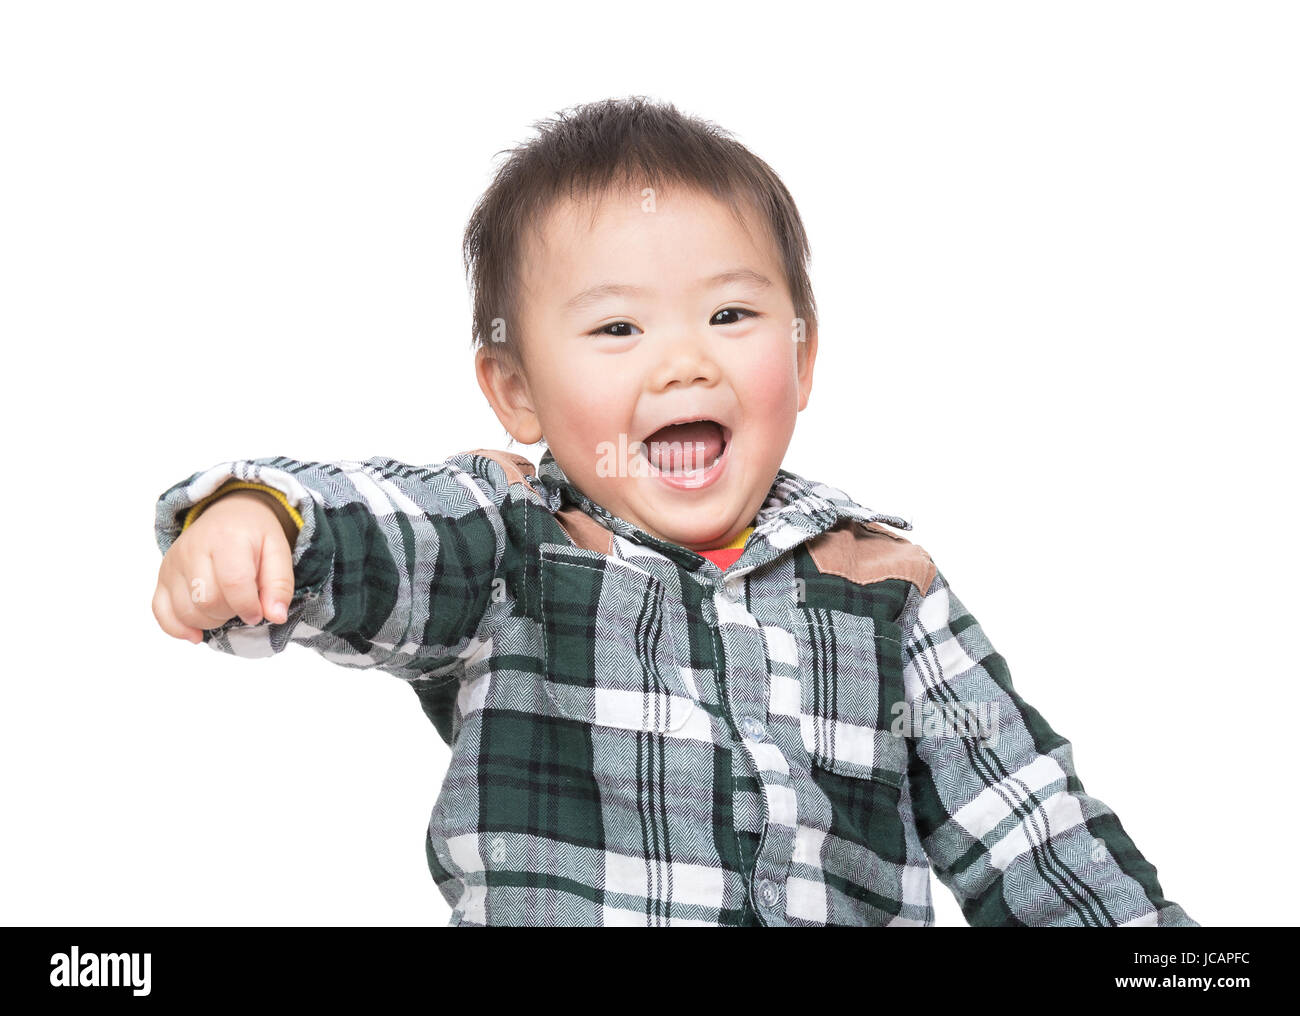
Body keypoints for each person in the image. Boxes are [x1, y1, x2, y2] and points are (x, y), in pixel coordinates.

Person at [152, 96, 1198, 927]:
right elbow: (388, 531)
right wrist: (265, 517)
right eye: (616, 327)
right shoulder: (512, 543)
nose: (684, 358)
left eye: (731, 313)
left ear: (802, 353)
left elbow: (1029, 826)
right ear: (515, 391)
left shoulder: (882, 585)